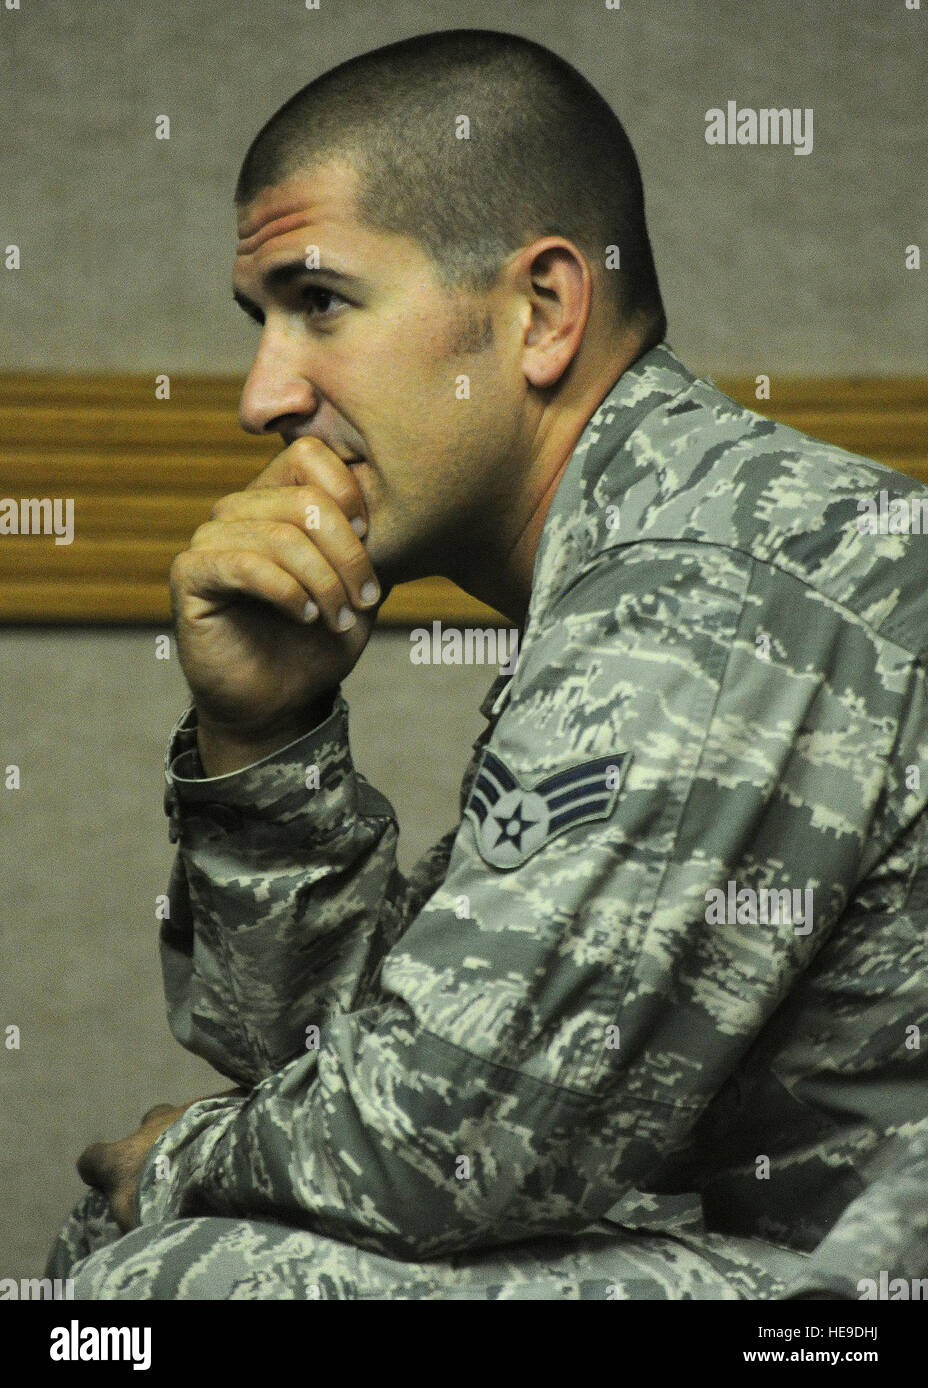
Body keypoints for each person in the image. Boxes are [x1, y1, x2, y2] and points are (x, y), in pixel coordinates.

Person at [46, 28, 928, 1300]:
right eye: (260, 322)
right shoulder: (634, 555)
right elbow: (347, 1077)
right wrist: (263, 740)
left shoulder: (707, 588)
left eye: (320, 304)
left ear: (542, 312)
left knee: (190, 1284)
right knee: (139, 1255)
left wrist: (183, 1157)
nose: (260, 396)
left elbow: (440, 1148)